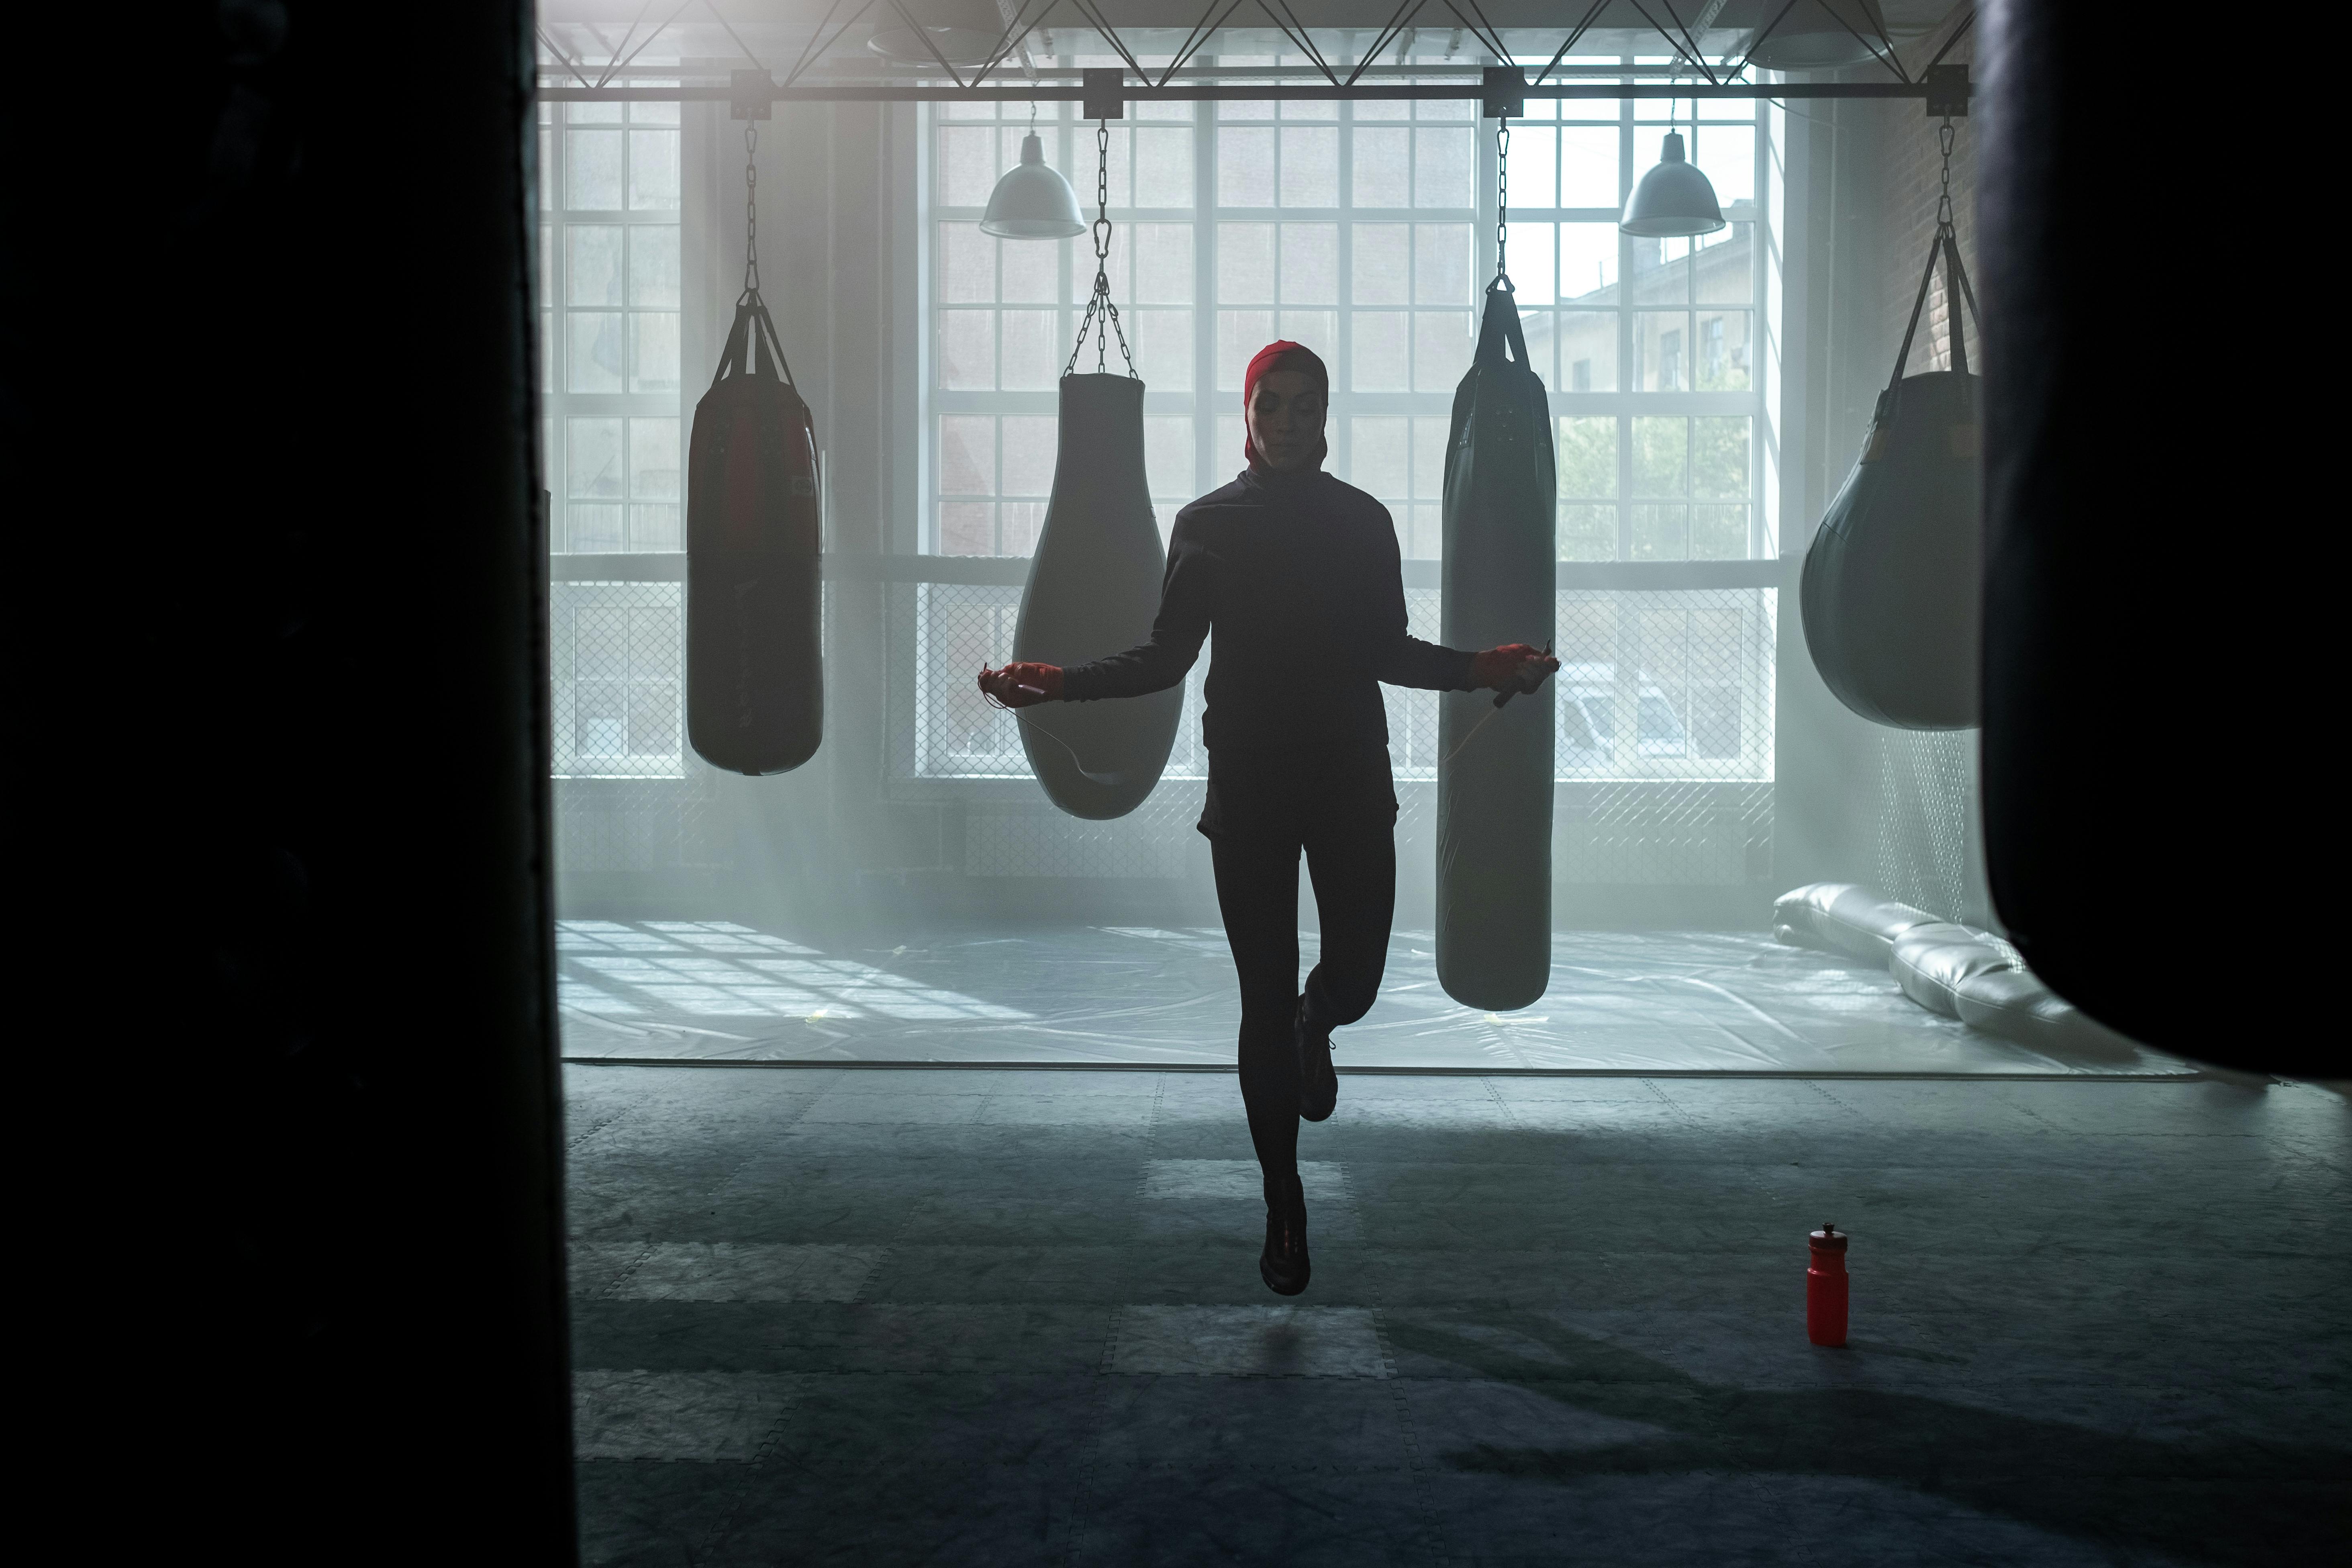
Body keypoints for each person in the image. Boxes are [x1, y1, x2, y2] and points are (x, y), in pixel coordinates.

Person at [978, 341, 1554, 1297]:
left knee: (1357, 977)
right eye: (1271, 404)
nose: (1287, 422)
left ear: (1327, 416)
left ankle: (1315, 1021)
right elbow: (1167, 658)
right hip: (1249, 787)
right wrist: (1058, 684)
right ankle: (1282, 1198)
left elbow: (1386, 648)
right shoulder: (1207, 525)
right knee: (1258, 995)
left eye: (1305, 406)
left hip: (1348, 781)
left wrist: (1482, 667)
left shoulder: (1364, 522)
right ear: (1248, 413)